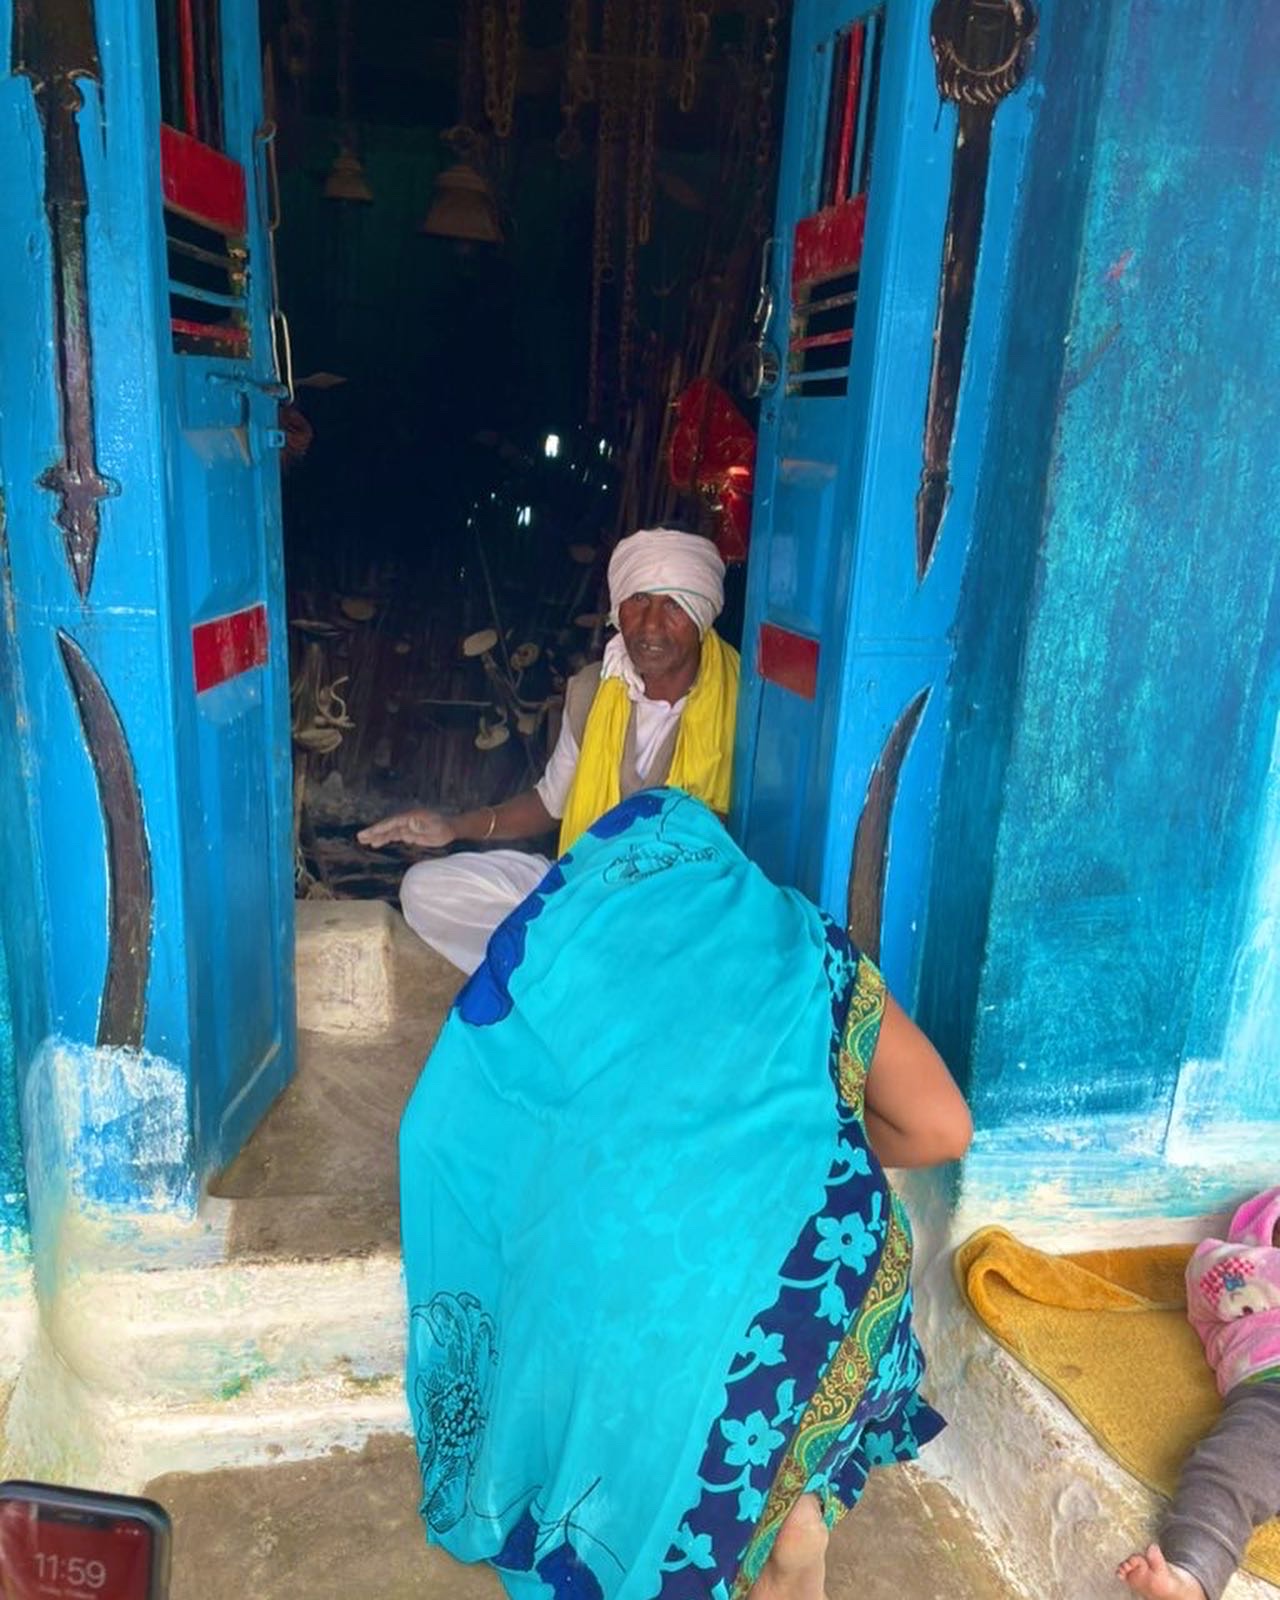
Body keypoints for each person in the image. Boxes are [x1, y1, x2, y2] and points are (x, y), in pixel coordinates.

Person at [399, 788, 972, 1600]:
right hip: (837, 1293)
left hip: (658, 1334)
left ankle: (768, 1520)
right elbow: (942, 1128)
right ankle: (797, 1514)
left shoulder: (575, 974)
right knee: (777, 1460)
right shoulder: (803, 946)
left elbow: (448, 1127)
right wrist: (801, 1143)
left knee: (658, 1392)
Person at [357, 528, 739, 975]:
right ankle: (580, 976)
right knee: (426, 887)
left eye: (673, 605)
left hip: (681, 911)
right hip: (585, 885)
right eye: (638, 601)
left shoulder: (745, 703)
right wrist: (453, 827)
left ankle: (568, 976)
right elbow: (549, 802)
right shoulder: (594, 690)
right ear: (619, 610)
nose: (651, 625)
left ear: (702, 613)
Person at [1117, 1185, 1280, 1600]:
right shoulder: (1226, 1272)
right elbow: (1217, 1279)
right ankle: (1191, 1574)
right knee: (1232, 1468)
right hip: (1272, 1392)